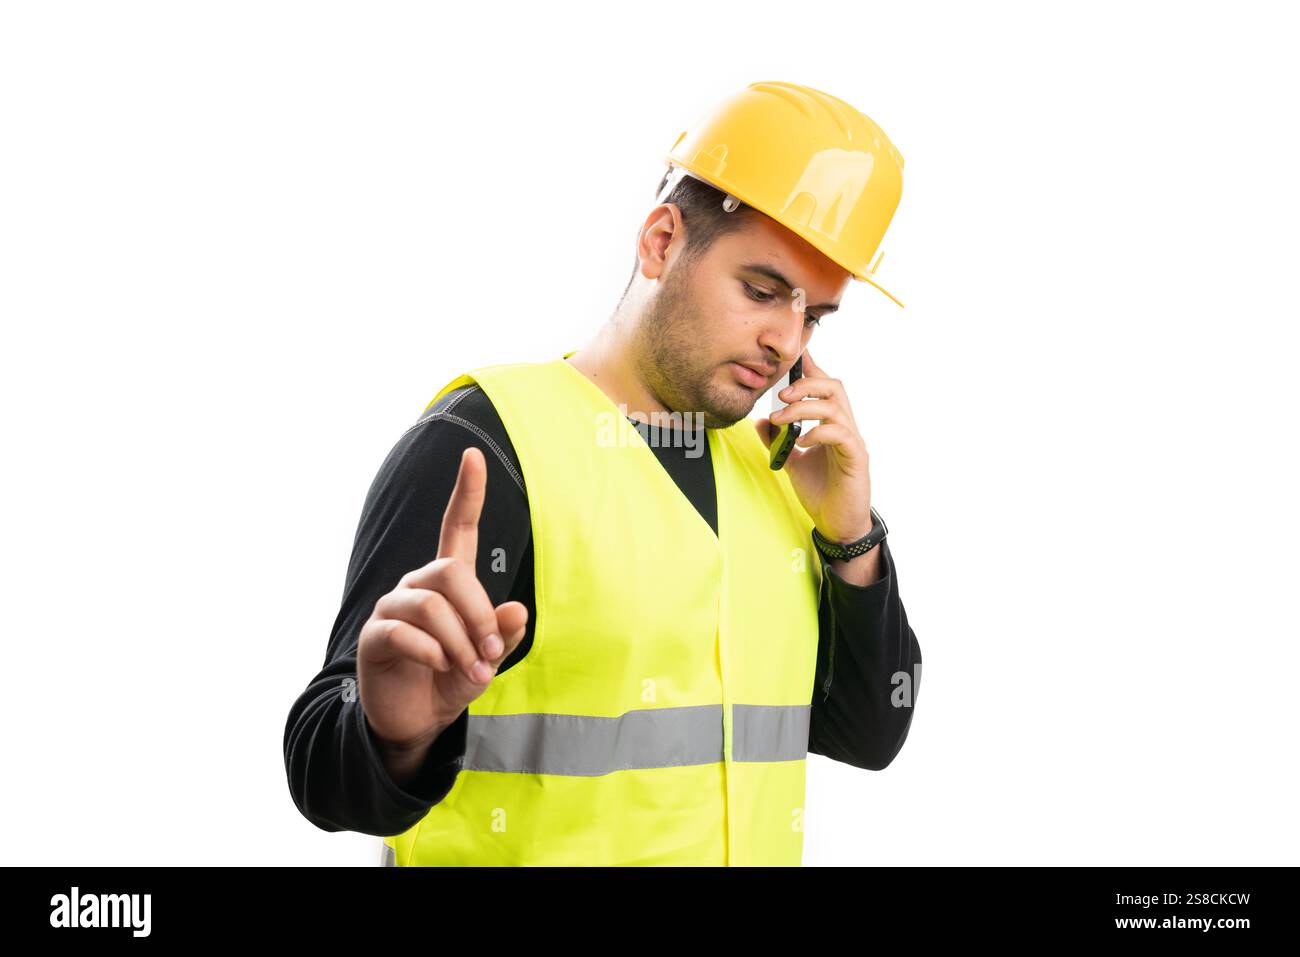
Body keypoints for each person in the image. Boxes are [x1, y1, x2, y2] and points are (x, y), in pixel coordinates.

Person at [284, 80, 922, 866]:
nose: (786, 342)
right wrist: (392, 730)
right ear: (660, 242)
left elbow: (869, 733)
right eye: (761, 291)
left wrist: (850, 537)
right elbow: (324, 772)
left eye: (814, 315)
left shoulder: (778, 469)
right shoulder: (488, 446)